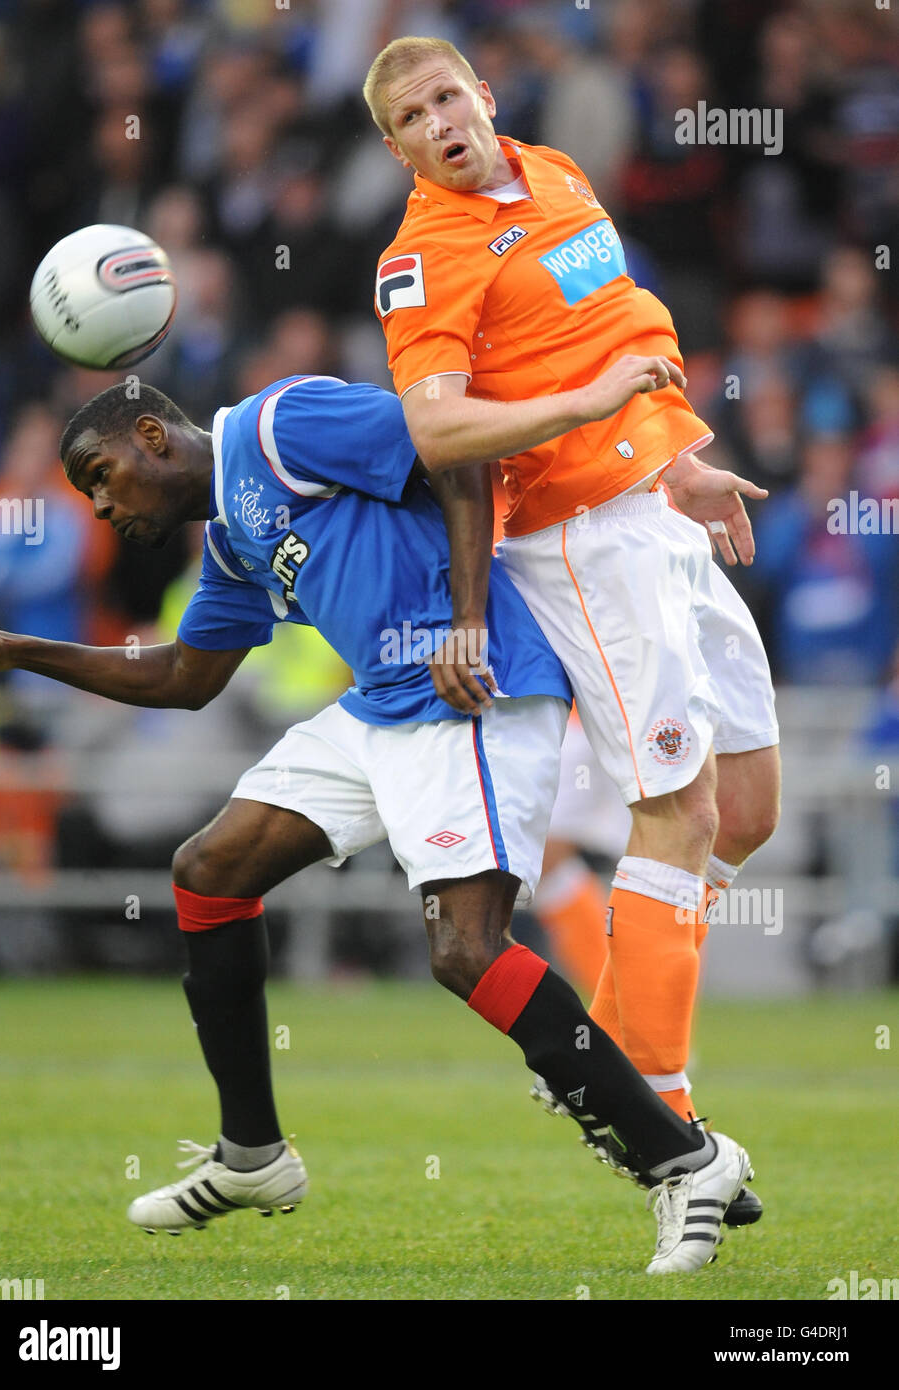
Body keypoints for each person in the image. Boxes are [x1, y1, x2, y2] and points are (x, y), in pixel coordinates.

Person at [0, 373, 754, 1274]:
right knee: (210, 870)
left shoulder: (278, 425)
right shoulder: (233, 538)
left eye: (101, 475)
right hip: (383, 708)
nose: (102, 505)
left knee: (466, 951)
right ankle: (253, 1156)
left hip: (475, 685)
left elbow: (454, 450)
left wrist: (464, 621)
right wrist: (12, 651)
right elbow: (183, 678)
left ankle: (689, 1161)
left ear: (153, 435)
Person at [364, 41, 781, 1206]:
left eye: (449, 96)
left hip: (658, 501)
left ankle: (598, 1050)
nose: (441, 121)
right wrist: (588, 410)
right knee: (675, 810)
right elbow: (439, 431)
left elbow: (624, 328)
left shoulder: (553, 170)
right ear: (393, 148)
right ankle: (662, 1124)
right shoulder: (420, 259)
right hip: (580, 537)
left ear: (485, 98)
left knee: (743, 813)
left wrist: (686, 454)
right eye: (412, 116)